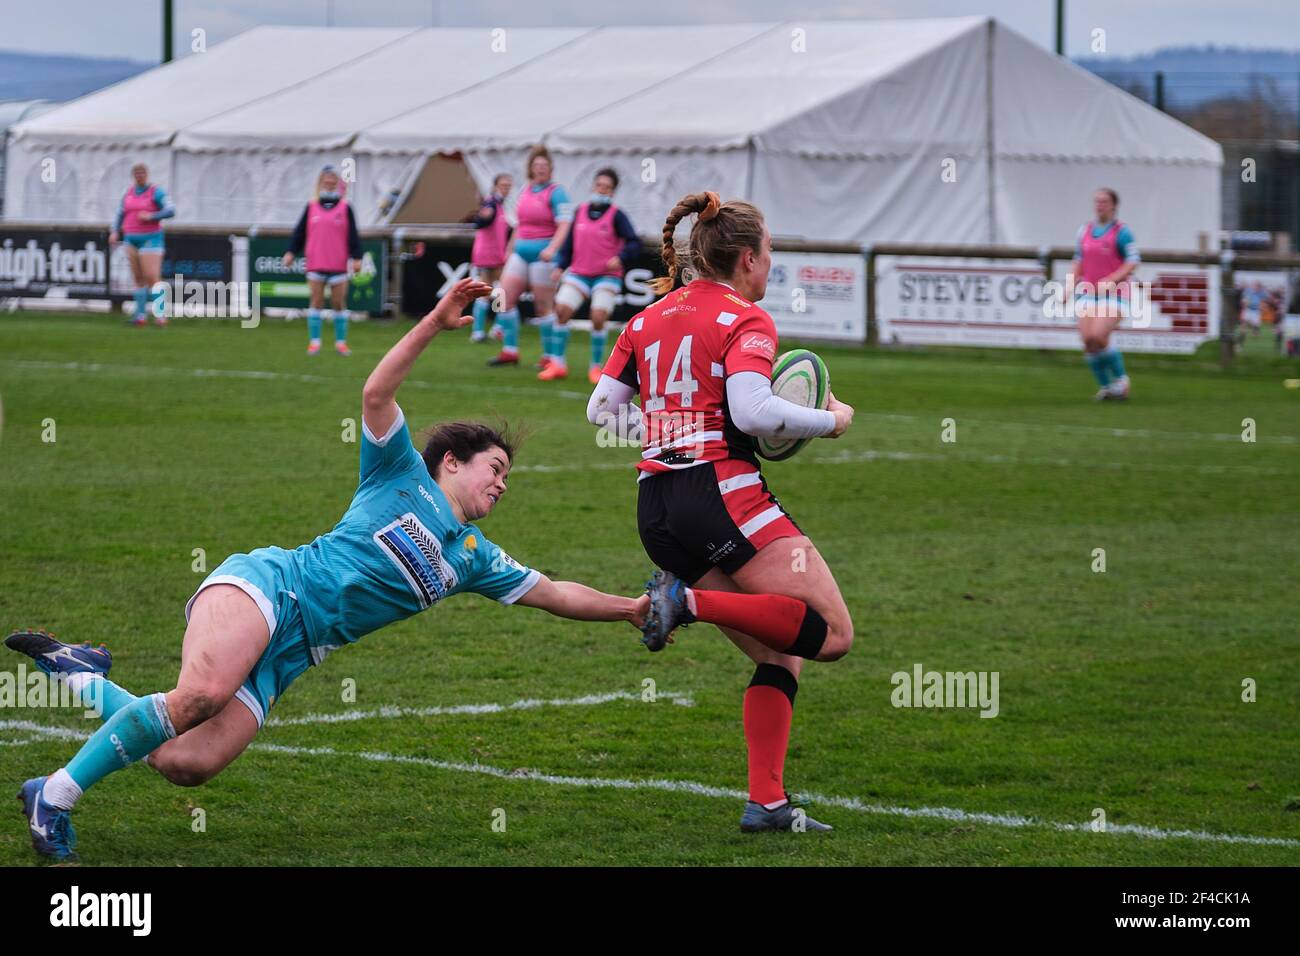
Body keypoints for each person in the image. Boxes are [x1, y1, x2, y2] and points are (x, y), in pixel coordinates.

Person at [9, 277, 650, 862]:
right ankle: (56, 796)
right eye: (496, 468)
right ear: (451, 461)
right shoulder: (398, 471)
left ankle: (81, 677)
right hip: (269, 587)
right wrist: (433, 320)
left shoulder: (474, 556)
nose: (502, 484)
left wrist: (629, 609)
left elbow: (555, 592)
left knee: (186, 762)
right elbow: (376, 393)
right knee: (199, 696)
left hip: (294, 653)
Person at [586, 191, 855, 833]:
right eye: (769, 256)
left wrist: (668, 434)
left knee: (779, 653)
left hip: (658, 505)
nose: (770, 269)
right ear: (745, 258)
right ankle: (686, 602)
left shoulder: (647, 318)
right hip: (722, 495)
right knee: (833, 635)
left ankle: (766, 803)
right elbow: (754, 414)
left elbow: (600, 410)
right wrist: (831, 421)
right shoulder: (745, 318)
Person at [544, 167, 641, 384]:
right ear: (593, 186)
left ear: (613, 192)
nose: (602, 190)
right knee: (561, 310)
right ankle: (557, 363)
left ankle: (596, 367)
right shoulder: (580, 211)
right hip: (579, 272)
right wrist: (560, 265)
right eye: (599, 186)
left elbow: (635, 242)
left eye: (607, 188)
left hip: (606, 276)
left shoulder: (617, 215)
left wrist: (621, 258)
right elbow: (569, 244)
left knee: (598, 317)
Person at [487, 146, 572, 368]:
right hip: (521, 252)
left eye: (544, 166)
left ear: (551, 169)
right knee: (502, 297)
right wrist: (509, 249)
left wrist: (553, 249)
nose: (540, 169)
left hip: (543, 255)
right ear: (531, 169)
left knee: (543, 306)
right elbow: (519, 224)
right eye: (537, 166)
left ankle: (549, 356)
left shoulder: (557, 192)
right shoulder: (526, 190)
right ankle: (510, 350)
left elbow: (564, 224)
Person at [282, 165, 363, 356]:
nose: (329, 182)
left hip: (338, 264)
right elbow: (299, 233)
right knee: (316, 301)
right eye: (326, 179)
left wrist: (357, 258)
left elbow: (353, 235)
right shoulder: (311, 207)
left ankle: (341, 343)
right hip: (316, 263)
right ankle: (315, 342)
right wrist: (291, 252)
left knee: (338, 303)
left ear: (337, 182)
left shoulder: (345, 208)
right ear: (320, 182)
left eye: (332, 179)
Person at [1069, 188, 1140, 401]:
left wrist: (1111, 280)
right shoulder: (1085, 231)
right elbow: (1078, 261)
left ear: (1113, 205)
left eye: (1104, 201)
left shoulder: (1122, 232)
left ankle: (1121, 380)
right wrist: (1069, 286)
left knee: (1098, 335)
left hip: (1115, 294)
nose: (1100, 205)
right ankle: (1107, 387)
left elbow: (1133, 262)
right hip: (1089, 293)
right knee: (1088, 341)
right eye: (1097, 201)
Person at [109, 163, 175, 327]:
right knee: (138, 279)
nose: (140, 175)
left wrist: (152, 216)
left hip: (151, 238)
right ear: (133, 175)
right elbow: (120, 213)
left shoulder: (155, 192)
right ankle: (140, 316)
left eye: (142, 172)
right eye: (136, 173)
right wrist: (115, 230)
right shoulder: (129, 193)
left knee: (152, 276)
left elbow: (171, 210)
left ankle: (160, 315)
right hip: (131, 238)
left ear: (147, 174)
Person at [469, 173, 513, 343]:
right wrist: (483, 216)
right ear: (495, 186)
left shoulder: (499, 205)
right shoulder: (492, 203)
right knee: (499, 290)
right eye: (503, 185)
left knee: (494, 290)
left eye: (508, 186)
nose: (506, 189)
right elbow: (481, 221)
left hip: (494, 253)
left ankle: (484, 329)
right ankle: (495, 327)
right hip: (489, 254)